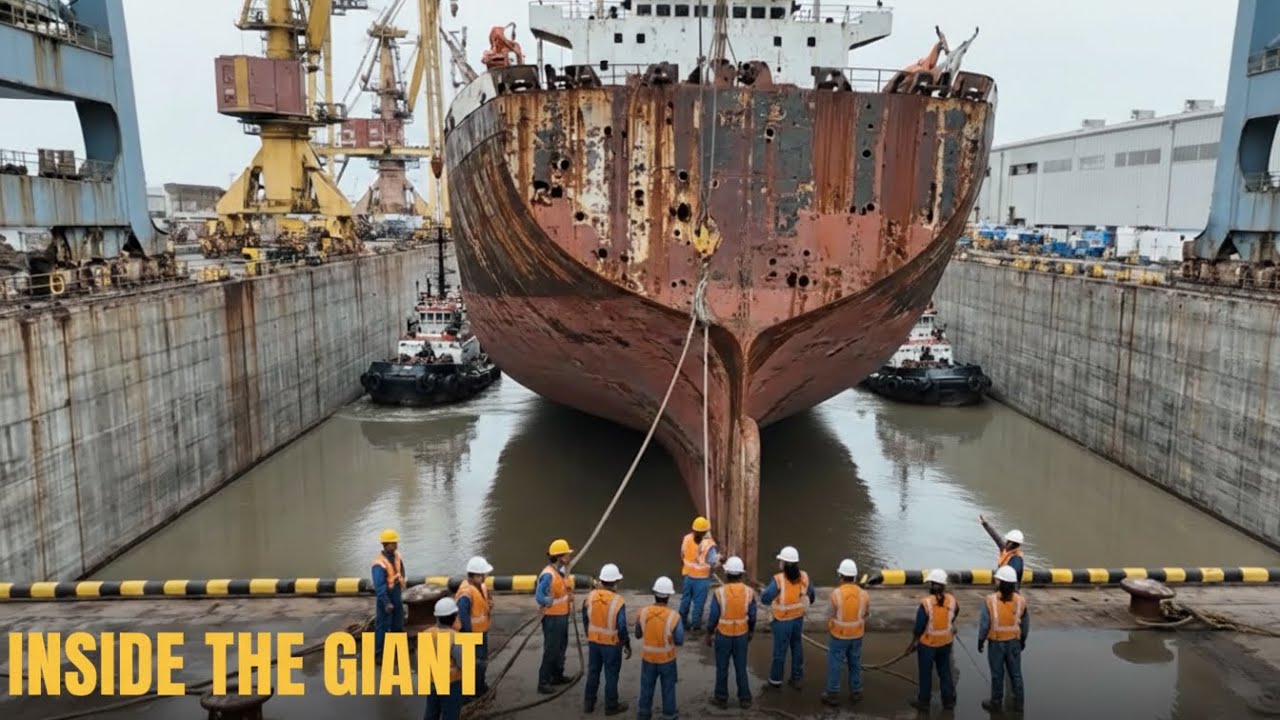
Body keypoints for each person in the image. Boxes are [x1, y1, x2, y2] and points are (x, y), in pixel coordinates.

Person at [760, 545, 815, 689]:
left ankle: (775, 681)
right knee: (797, 647)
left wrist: (764, 593)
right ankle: (797, 678)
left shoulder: (778, 580)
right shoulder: (804, 577)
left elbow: (765, 598)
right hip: (798, 619)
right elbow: (812, 595)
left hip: (782, 622)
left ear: (783, 563)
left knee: (779, 651)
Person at [706, 555, 756, 709]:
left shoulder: (720, 592)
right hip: (741, 634)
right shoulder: (749, 592)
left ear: (726, 574)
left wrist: (709, 633)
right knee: (741, 667)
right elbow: (753, 616)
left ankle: (721, 698)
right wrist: (751, 631)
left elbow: (713, 616)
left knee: (722, 667)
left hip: (723, 635)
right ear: (741, 574)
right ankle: (745, 698)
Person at [978, 564, 1030, 713]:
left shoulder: (990, 600)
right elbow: (1025, 623)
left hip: (996, 643)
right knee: (1016, 674)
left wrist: (981, 640)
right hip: (1014, 642)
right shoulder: (1021, 600)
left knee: (997, 674)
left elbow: (984, 624)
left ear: (1000, 582)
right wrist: (1023, 639)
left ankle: (996, 702)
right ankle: (1019, 704)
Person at [581, 563, 631, 715]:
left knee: (593, 672)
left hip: (594, 642)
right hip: (611, 644)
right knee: (611, 675)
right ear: (616, 583)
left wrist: (589, 633)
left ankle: (588, 704)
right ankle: (611, 706)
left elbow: (584, 617)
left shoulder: (590, 596)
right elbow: (621, 627)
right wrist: (626, 643)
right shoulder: (618, 601)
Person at [909, 569, 959, 711]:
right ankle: (948, 701)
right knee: (945, 672)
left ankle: (924, 702)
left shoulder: (926, 603)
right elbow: (956, 612)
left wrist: (913, 643)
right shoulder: (952, 600)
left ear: (931, 584)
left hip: (927, 645)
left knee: (925, 673)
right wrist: (949, 623)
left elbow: (919, 627)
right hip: (945, 643)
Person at [635, 576, 684, 720]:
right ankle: (669, 715)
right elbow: (680, 640)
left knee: (646, 688)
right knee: (668, 689)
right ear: (669, 595)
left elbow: (638, 634)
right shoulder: (674, 616)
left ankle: (643, 715)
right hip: (667, 660)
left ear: (654, 593)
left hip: (648, 659)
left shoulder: (643, 613)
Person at [822, 559, 868, 706]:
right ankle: (856, 691)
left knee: (835, 663)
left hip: (839, 636)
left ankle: (832, 693)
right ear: (854, 577)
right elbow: (866, 614)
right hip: (857, 635)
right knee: (855, 663)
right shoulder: (863, 594)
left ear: (840, 575)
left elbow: (829, 613)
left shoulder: (836, 594)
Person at [535, 538, 575, 694]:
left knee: (561, 647)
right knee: (551, 649)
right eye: (567, 554)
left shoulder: (560, 571)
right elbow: (539, 596)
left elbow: (562, 588)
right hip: (552, 618)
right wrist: (547, 600)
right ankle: (543, 681)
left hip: (562, 615)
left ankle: (557, 675)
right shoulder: (548, 575)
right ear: (559, 557)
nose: (569, 557)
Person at [454, 556, 493, 696]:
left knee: (481, 661)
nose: (485, 578)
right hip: (471, 634)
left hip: (481, 631)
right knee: (473, 663)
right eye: (482, 575)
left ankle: (480, 685)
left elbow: (484, 603)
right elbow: (462, 614)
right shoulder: (466, 593)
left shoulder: (480, 586)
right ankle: (471, 692)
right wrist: (468, 635)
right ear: (474, 575)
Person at [423, 597, 465, 720]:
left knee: (431, 712)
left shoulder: (426, 633)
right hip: (451, 683)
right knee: (450, 715)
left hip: (432, 682)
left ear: (437, 617)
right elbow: (462, 662)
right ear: (454, 617)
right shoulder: (455, 637)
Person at [370, 528, 406, 662]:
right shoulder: (378, 564)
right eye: (393, 543)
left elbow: (401, 570)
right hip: (386, 596)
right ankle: (378, 654)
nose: (396, 545)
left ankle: (398, 647)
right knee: (383, 625)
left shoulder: (397, 556)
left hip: (396, 592)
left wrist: (401, 583)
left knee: (398, 622)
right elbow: (379, 586)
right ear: (386, 544)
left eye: (396, 543)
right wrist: (386, 602)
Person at [678, 516, 719, 633]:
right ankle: (696, 626)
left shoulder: (686, 539)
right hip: (701, 579)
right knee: (698, 604)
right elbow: (713, 562)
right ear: (706, 531)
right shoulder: (708, 545)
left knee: (685, 600)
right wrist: (720, 560)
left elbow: (682, 554)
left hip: (688, 575)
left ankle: (682, 623)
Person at [979, 514, 1025, 584]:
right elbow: (996, 537)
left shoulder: (1016, 560)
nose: (1006, 543)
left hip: (1009, 588)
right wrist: (985, 524)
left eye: (1008, 541)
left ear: (1011, 543)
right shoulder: (1005, 549)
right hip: (1002, 583)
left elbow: (1012, 579)